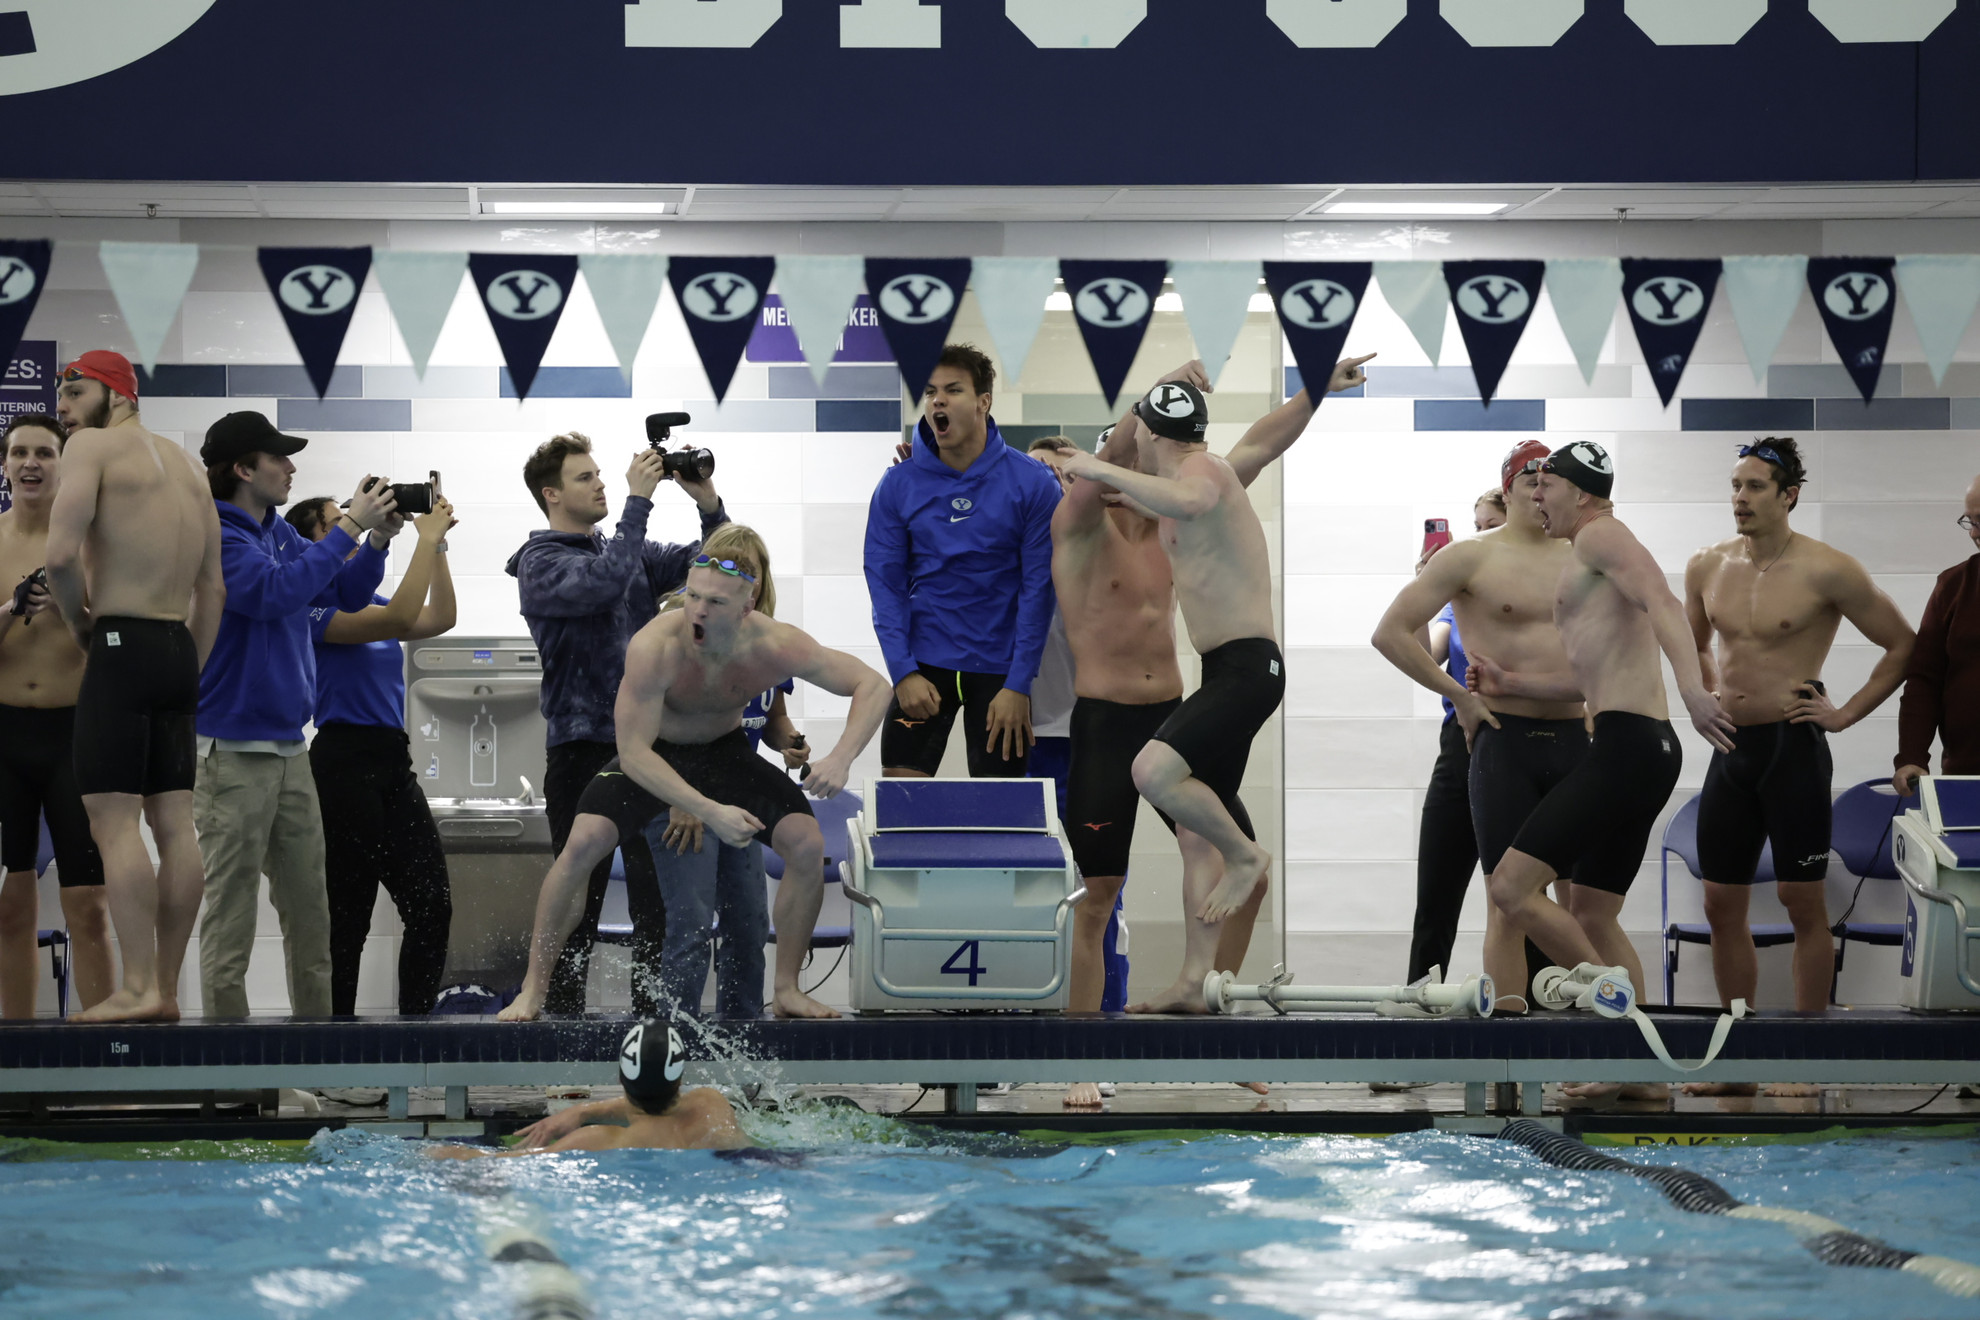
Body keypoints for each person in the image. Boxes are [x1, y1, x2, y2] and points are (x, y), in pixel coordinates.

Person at [498, 544, 891, 1022]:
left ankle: (787, 987)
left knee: (806, 844)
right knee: (582, 843)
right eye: (693, 597)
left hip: (723, 754)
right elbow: (635, 754)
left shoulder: (777, 645)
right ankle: (533, 989)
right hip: (654, 753)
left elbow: (873, 685)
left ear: (747, 607)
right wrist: (708, 809)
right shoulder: (655, 645)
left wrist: (843, 756)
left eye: (716, 603)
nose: (699, 612)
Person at [1467, 442, 1735, 1037]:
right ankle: (1637, 1066)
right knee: (1592, 911)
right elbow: (1590, 674)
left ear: (1581, 493)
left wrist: (1692, 689)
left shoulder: (1600, 535)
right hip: (1640, 746)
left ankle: (1616, 1009)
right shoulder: (1586, 552)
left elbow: (1662, 600)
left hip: (1628, 747)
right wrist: (1512, 682)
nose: (1535, 497)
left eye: (1547, 486)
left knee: (1511, 887)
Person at [1055, 378, 1286, 1014]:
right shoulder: (1078, 526)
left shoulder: (1173, 522)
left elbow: (1256, 450)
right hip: (1106, 722)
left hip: (1171, 713)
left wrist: (1314, 392)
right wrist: (1141, 414)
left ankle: (1209, 1002)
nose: (1129, 478)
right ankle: (1080, 1061)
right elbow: (1110, 468)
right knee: (1097, 893)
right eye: (1119, 469)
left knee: (1231, 865)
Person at [1685, 439, 1914, 1017]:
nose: (1740, 497)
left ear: (1788, 496)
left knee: (1801, 901)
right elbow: (1693, 645)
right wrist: (1707, 692)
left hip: (1793, 750)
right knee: (1719, 903)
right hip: (1731, 750)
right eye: (1736, 485)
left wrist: (1844, 715)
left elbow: (1903, 645)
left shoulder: (1828, 568)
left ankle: (1808, 1062)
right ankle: (1734, 1060)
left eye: (1755, 486)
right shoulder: (1706, 564)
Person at [507, 431, 727, 1016]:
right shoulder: (540, 563)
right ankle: (560, 1039)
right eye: (586, 478)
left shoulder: (626, 552)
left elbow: (714, 570)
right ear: (551, 495)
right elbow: (603, 584)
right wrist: (638, 501)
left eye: (601, 475)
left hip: (648, 752)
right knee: (578, 901)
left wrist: (707, 503)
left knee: (657, 907)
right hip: (582, 752)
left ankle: (648, 1039)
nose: (601, 483)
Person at [193, 412, 399, 1018]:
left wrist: (376, 539)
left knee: (313, 918)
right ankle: (231, 1082)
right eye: (278, 458)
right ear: (242, 468)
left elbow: (344, 592)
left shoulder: (277, 532)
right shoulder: (222, 537)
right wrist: (348, 526)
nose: (291, 467)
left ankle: (313, 1066)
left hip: (289, 752)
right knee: (231, 922)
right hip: (231, 756)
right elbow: (270, 595)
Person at [1372, 444, 1586, 1012]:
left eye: (1549, 484)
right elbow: (1401, 638)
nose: (1540, 495)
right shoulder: (1469, 563)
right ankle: (1433, 1033)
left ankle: (1550, 1027)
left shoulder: (1584, 555)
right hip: (1483, 737)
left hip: (1569, 740)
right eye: (1530, 483)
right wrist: (1459, 699)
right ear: (1513, 487)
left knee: (1551, 897)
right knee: (1456, 894)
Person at [44, 351, 225, 1022]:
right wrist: (187, 665)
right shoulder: (186, 467)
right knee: (175, 824)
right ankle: (167, 991)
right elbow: (214, 588)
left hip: (120, 640)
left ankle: (138, 986)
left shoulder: (91, 446)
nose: (63, 406)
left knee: (114, 823)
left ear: (115, 394)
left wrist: (80, 623)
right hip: (177, 646)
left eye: (74, 390)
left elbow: (60, 556)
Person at [287, 491, 460, 1016]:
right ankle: (337, 1054)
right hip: (342, 762)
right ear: (313, 543)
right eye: (341, 525)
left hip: (390, 760)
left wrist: (439, 546)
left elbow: (442, 617)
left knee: (432, 906)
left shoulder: (374, 602)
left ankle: (412, 1039)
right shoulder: (311, 607)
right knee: (348, 918)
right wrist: (420, 541)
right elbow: (399, 619)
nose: (354, 531)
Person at [864, 343, 1060, 780]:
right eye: (931, 391)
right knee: (901, 802)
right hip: (923, 664)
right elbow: (884, 583)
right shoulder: (898, 485)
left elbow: (1037, 590)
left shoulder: (1031, 482)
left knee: (1001, 818)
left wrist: (1018, 684)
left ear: (983, 402)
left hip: (1000, 672)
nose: (938, 400)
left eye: (953, 389)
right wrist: (902, 671)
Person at [639, 523, 808, 1019]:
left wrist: (790, 745)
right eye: (723, 565)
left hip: (736, 801)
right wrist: (684, 801)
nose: (733, 578)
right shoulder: (681, 631)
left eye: (746, 570)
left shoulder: (765, 640)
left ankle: (741, 1054)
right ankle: (675, 1055)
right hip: (680, 796)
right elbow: (647, 729)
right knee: (691, 928)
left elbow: (772, 718)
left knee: (748, 926)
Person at [0, 414, 111, 1017]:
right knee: (10, 904)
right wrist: (10, 607)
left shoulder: (90, 548)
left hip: (74, 736)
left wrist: (72, 610)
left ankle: (105, 1054)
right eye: (19, 452)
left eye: (45, 451)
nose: (31, 463)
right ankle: (16, 1060)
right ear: (4, 465)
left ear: (64, 467)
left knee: (89, 903)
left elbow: (112, 646)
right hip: (6, 736)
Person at [428, 1020, 748, 1157]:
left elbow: (511, 1165)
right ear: (679, 1080)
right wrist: (582, 1111)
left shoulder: (597, 1141)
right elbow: (656, 1105)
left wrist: (447, 1153)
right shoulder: (711, 1106)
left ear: (622, 1078)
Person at [1894, 472, 1980, 794]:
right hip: (1968, 776)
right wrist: (1912, 755)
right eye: (1968, 521)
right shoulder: (1954, 586)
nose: (1973, 533)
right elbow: (1924, 679)